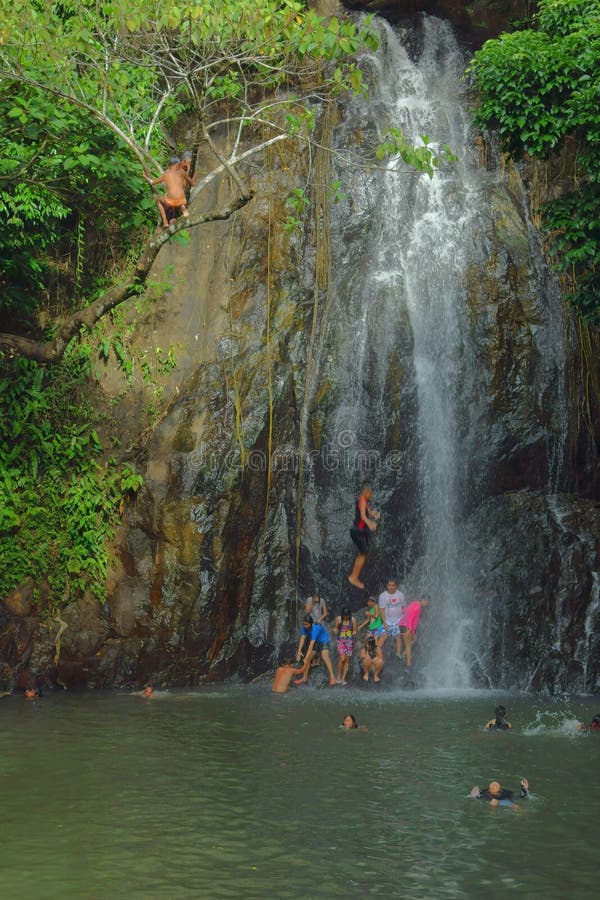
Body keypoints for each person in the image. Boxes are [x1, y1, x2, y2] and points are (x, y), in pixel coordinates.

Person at [144, 156, 194, 228]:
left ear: (169, 166)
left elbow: (152, 182)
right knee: (177, 198)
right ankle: (183, 209)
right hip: (182, 201)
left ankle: (165, 222)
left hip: (170, 201)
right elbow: (192, 183)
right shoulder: (182, 172)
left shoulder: (165, 174)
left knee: (158, 199)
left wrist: (145, 177)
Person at [348, 483, 380, 589]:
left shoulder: (364, 502)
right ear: (366, 492)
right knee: (363, 553)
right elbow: (362, 516)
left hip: (357, 531)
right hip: (358, 531)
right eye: (370, 493)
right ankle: (353, 577)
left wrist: (373, 514)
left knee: (363, 553)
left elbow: (367, 512)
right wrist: (370, 524)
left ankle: (354, 576)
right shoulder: (362, 500)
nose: (371, 496)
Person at [294, 615, 337, 686]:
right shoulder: (304, 627)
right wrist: (299, 651)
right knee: (308, 659)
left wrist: (306, 657)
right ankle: (304, 678)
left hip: (323, 640)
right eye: (304, 624)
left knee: (324, 657)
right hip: (315, 641)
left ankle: (332, 677)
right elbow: (302, 638)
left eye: (306, 624)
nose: (305, 626)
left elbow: (311, 645)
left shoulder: (315, 628)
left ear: (310, 624)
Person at [378, 578, 406, 657]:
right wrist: (384, 622)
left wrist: (404, 621)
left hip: (398, 620)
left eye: (393, 585)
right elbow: (382, 610)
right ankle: (378, 653)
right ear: (387, 586)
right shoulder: (383, 596)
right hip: (387, 621)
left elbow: (404, 608)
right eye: (389, 585)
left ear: (396, 586)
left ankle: (398, 654)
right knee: (383, 635)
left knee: (398, 636)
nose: (391, 587)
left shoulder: (400, 594)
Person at [399, 598, 429, 668]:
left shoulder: (414, 603)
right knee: (408, 645)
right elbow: (411, 618)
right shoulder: (418, 607)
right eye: (427, 603)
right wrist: (409, 629)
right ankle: (408, 663)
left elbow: (404, 610)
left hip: (403, 624)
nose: (426, 605)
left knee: (414, 638)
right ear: (423, 600)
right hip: (406, 626)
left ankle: (404, 654)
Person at [333, 607, 357, 685]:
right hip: (341, 640)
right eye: (344, 616)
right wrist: (335, 630)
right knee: (342, 658)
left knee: (347, 659)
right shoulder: (338, 619)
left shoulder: (353, 620)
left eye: (347, 616)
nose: (346, 617)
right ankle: (338, 675)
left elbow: (355, 630)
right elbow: (335, 628)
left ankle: (343, 678)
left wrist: (353, 633)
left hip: (349, 641)